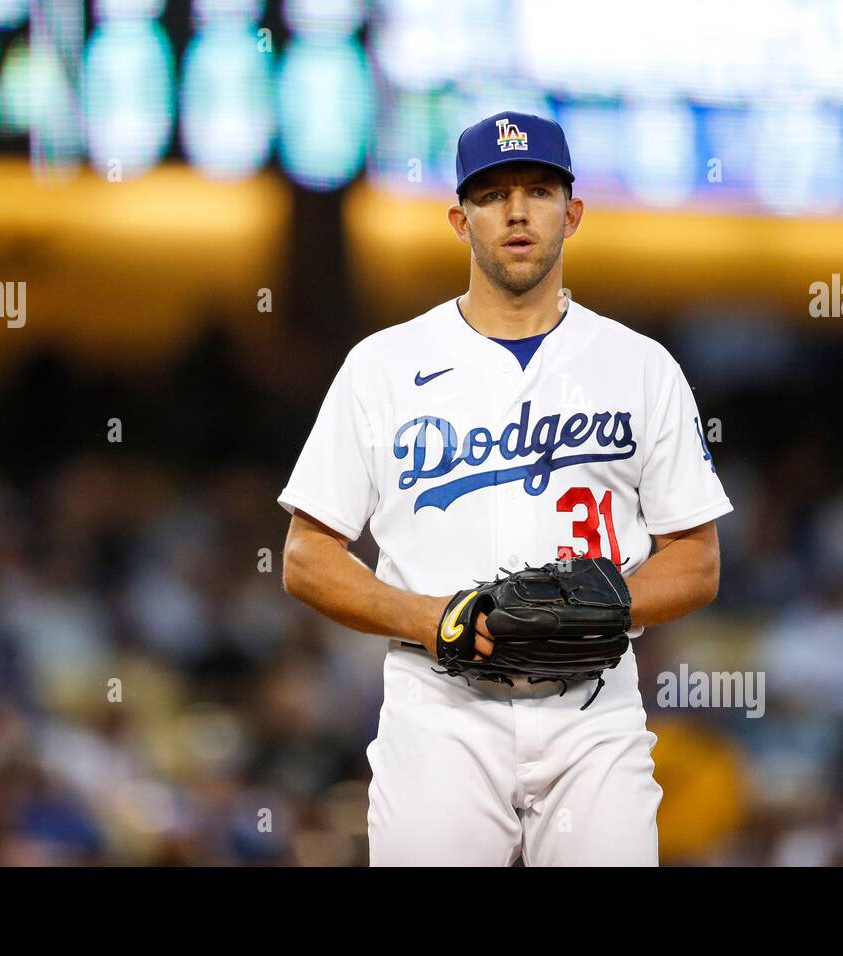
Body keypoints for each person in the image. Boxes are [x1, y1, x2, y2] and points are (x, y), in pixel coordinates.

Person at [278, 112, 732, 865]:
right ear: (460, 220)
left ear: (572, 212)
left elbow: (698, 559)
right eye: (492, 195)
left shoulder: (641, 365)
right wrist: (432, 618)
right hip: (440, 706)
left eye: (538, 190)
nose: (517, 211)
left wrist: (609, 606)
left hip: (592, 706)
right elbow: (304, 558)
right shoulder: (382, 365)